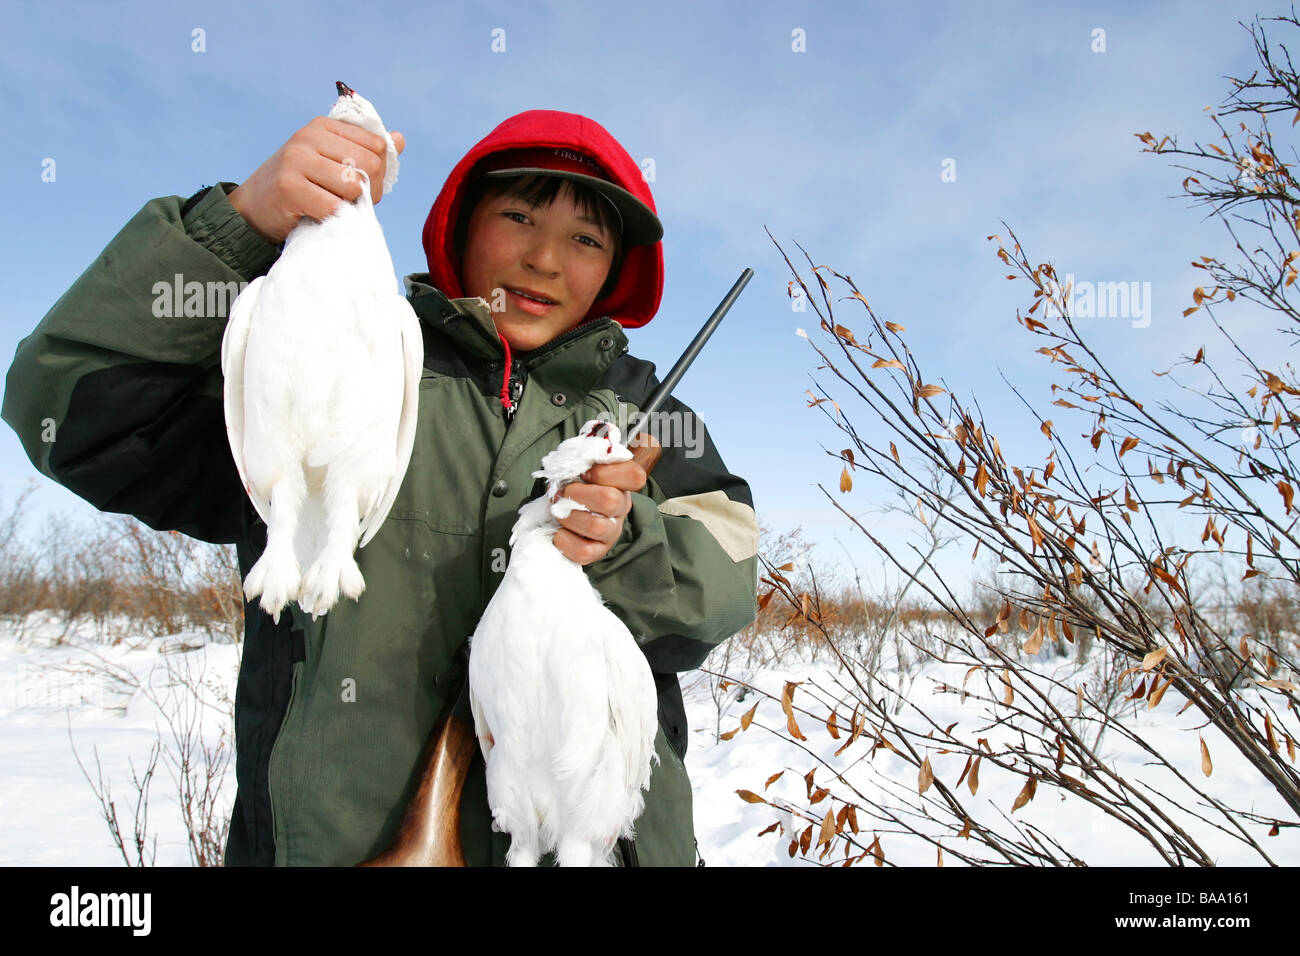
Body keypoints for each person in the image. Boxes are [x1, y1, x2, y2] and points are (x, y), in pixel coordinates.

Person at [2, 106, 759, 866]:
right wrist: (238, 230)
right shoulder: (340, 352)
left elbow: (722, 593)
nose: (545, 260)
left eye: (587, 239)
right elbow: (70, 413)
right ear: (461, 223)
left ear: (617, 267)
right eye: (519, 215)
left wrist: (621, 544)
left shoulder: (649, 415)